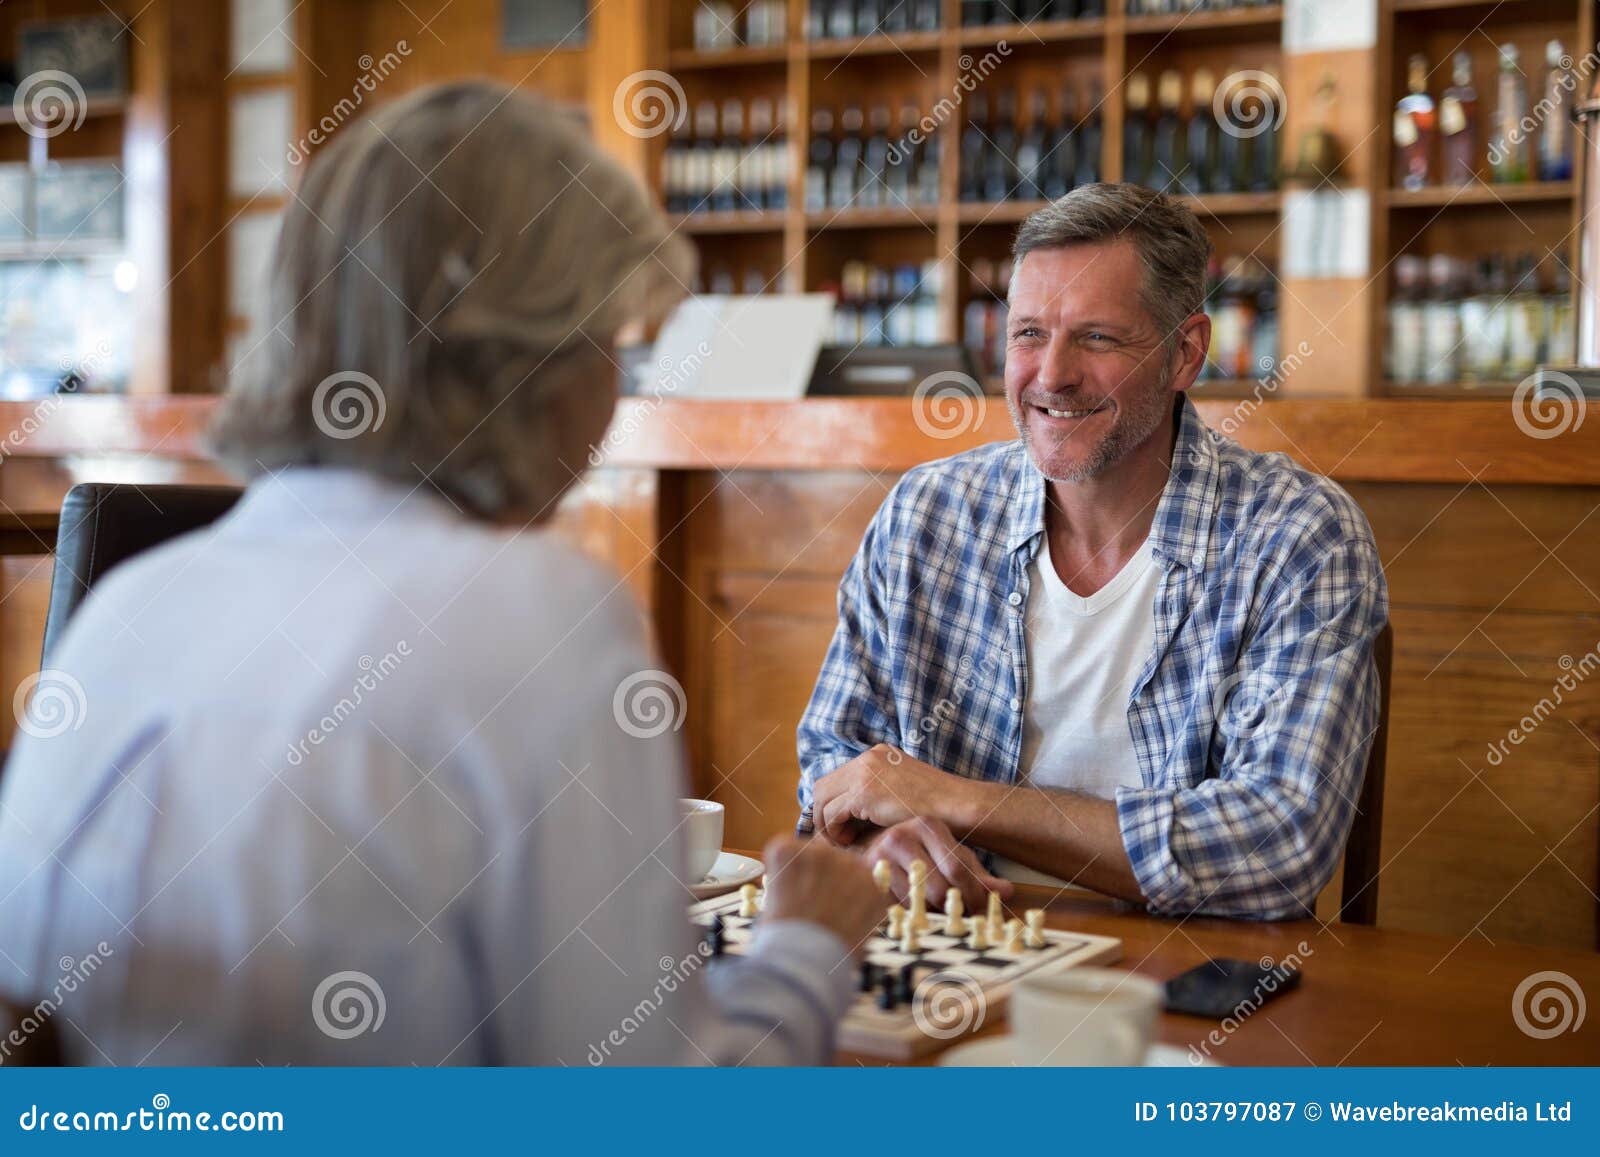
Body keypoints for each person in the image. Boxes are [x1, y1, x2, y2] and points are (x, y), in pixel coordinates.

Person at [0, 81, 883, 1065]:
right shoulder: (542, 612)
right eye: (608, 346)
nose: (610, 395)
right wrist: (806, 949)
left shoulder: (132, 603)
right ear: (532, 361)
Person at [798, 183, 1388, 921]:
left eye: (1098, 337)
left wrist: (957, 801)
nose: (1050, 376)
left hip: (1195, 981)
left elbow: (1278, 845)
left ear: (1185, 352)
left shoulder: (1299, 535)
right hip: (954, 957)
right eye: (1028, 334)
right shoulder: (925, 515)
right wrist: (873, 844)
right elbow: (834, 764)